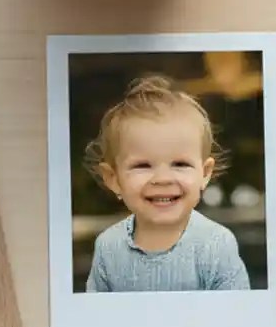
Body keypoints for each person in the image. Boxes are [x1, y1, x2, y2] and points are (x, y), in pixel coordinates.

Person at [83, 75, 250, 292]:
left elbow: (239, 318)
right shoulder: (108, 247)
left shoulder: (216, 245)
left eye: (180, 164)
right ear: (113, 179)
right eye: (143, 165)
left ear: (205, 173)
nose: (162, 179)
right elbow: (93, 320)